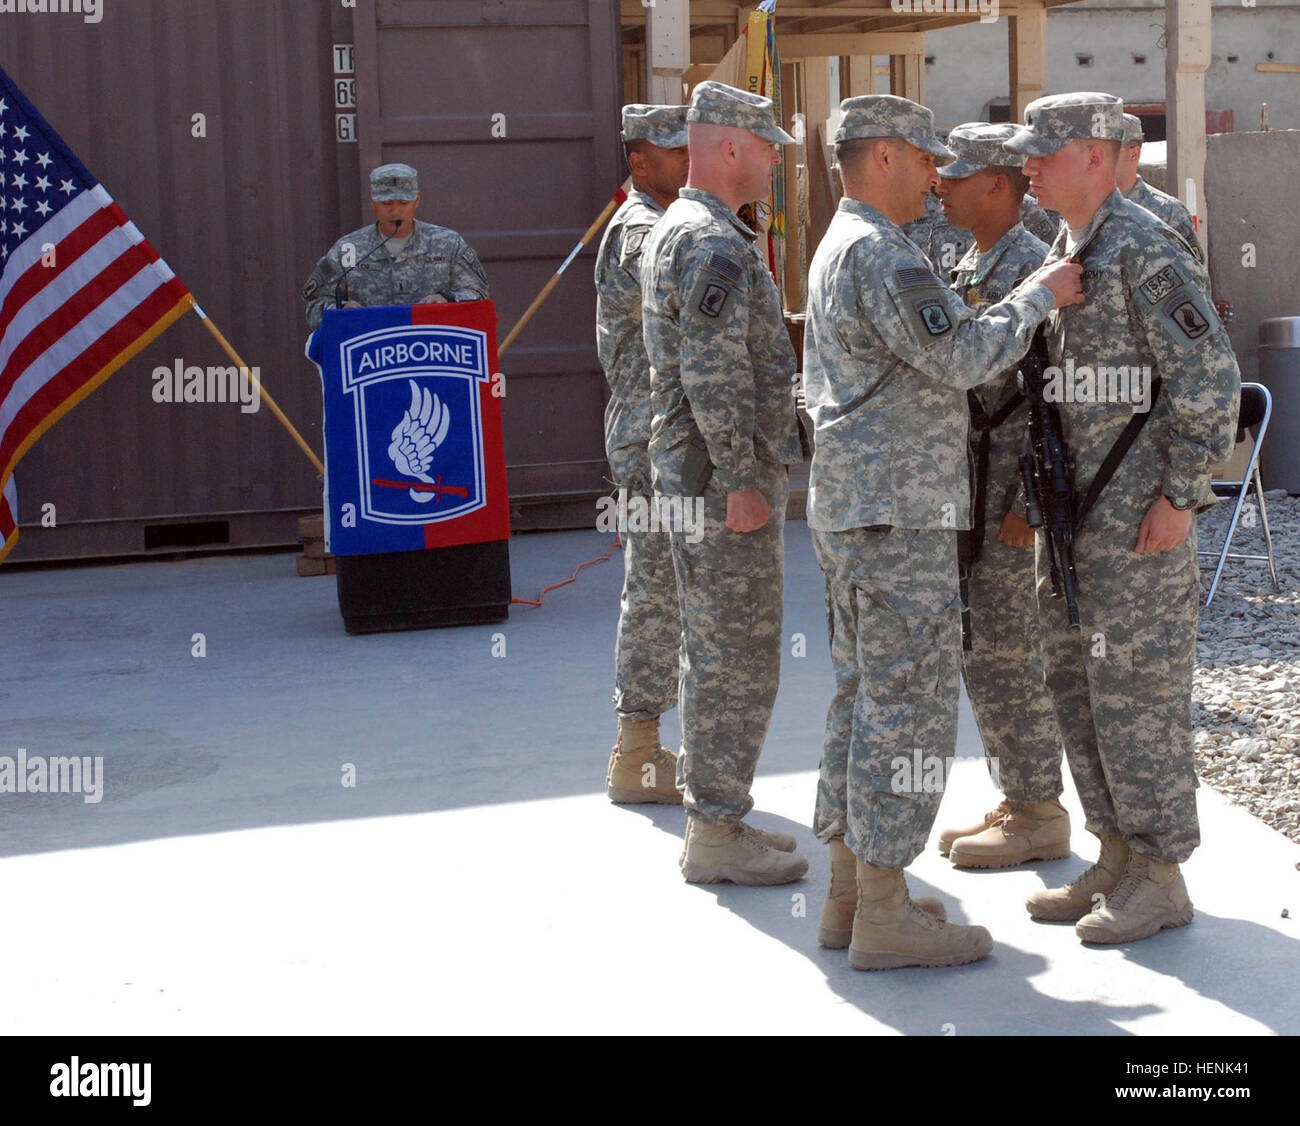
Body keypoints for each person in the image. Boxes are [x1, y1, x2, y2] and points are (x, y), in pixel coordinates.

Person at [802, 94, 1084, 969]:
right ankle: (884, 913)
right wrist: (1038, 296)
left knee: (860, 697)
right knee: (906, 712)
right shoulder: (883, 254)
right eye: (924, 157)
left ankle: (854, 893)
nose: (936, 173)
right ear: (882, 156)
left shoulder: (842, 243)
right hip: (899, 513)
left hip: (861, 509)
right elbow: (962, 356)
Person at [1006, 92, 1239, 944]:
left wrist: (1181, 496)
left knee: (1137, 698)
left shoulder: (1143, 247)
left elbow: (1211, 381)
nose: (1028, 164)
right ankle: (1115, 853)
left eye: (1045, 150)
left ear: (1097, 156)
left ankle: (1162, 873)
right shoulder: (1067, 249)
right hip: (1076, 524)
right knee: (1079, 689)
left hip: (1135, 523)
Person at [640, 80, 806, 885]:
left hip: (703, 476)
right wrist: (742, 477)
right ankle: (714, 827)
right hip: (719, 484)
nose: (776, 158)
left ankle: (722, 814)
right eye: (767, 143)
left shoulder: (697, 229)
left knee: (717, 648)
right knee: (733, 653)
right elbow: (712, 371)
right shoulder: (709, 242)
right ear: (730, 145)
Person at [931, 123, 1072, 869]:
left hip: (1009, 491)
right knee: (980, 647)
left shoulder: (1031, 266)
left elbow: (1050, 401)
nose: (939, 186)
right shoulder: (974, 259)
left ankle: (1039, 808)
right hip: (973, 487)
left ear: (997, 184)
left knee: (1010, 650)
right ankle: (1018, 793)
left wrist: (1027, 504)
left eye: (955, 177)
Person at [595, 104, 691, 805]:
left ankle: (646, 748)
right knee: (656, 593)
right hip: (649, 436)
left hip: (655, 432)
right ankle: (638, 751)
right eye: (673, 150)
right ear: (639, 161)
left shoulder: (662, 224)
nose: (687, 159)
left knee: (662, 590)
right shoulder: (642, 233)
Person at [302, 163, 489, 330]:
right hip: (371, 356)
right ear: (372, 202)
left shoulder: (448, 243)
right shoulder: (348, 249)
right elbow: (315, 306)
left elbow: (478, 294)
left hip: (433, 352)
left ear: (417, 201)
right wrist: (341, 309)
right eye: (386, 203)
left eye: (404, 203)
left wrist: (447, 298)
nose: (395, 211)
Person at [1116, 114, 1203, 262]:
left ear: (1133, 153)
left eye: (1109, 150)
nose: (1095, 157)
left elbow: (1193, 276)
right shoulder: (1078, 208)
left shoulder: (1168, 212)